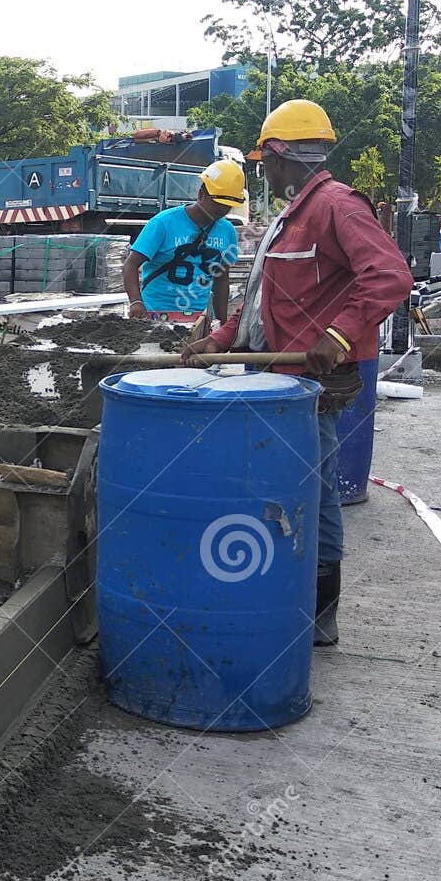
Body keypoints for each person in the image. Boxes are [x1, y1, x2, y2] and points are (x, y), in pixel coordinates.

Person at [180, 99, 412, 647]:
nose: (263, 170)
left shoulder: (336, 207)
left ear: (282, 155)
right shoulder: (292, 215)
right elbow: (262, 297)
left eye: (266, 160)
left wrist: (335, 336)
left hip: (307, 386)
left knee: (317, 490)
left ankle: (318, 613)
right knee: (289, 486)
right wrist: (217, 339)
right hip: (274, 380)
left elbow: (389, 276)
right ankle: (283, 588)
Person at [123, 159, 245, 323]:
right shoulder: (164, 223)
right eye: (218, 204)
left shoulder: (227, 230)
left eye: (227, 206)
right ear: (201, 194)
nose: (222, 210)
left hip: (199, 319)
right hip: (155, 316)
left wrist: (222, 323)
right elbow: (131, 265)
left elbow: (221, 278)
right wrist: (136, 303)